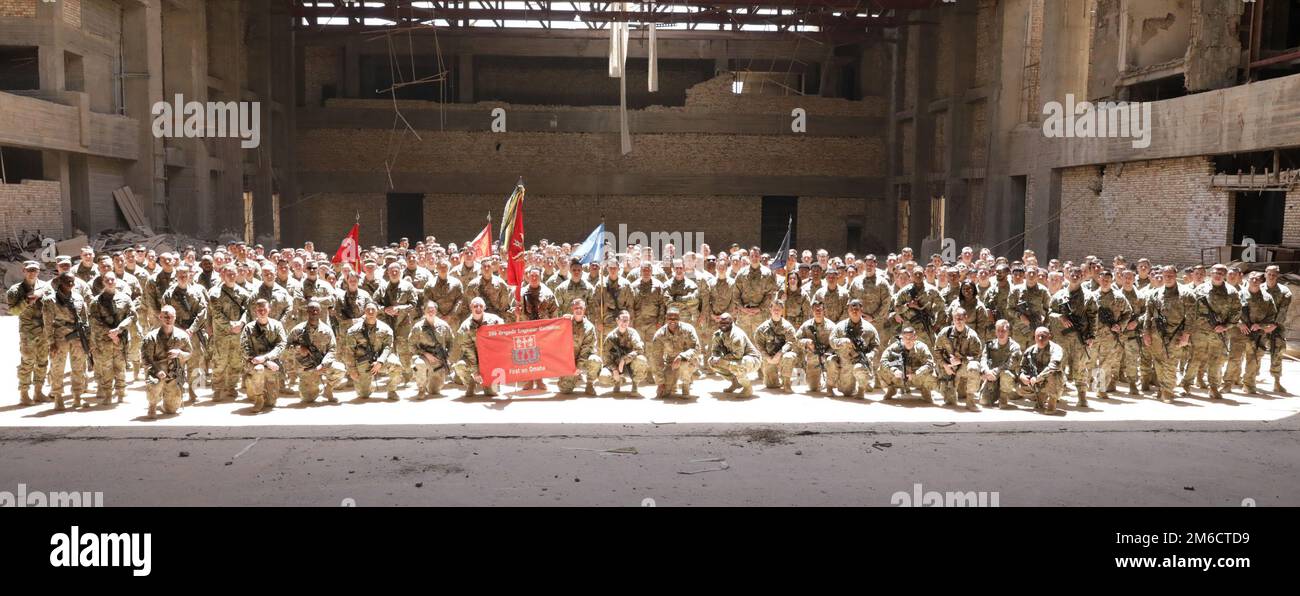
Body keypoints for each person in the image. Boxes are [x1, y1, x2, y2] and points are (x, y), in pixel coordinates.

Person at [89, 272, 136, 405]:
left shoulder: (125, 299)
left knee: (121, 367)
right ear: (103, 282)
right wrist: (110, 333)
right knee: (106, 368)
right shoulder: (96, 301)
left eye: (112, 280)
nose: (110, 282)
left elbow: (132, 316)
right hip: (104, 341)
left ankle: (121, 393)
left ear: (116, 281)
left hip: (120, 340)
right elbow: (94, 321)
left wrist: (119, 329)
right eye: (107, 280)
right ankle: (108, 394)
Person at [7, 261, 50, 405]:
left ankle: (38, 392)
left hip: (44, 331)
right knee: (27, 362)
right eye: (29, 270)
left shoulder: (46, 287)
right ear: (24, 271)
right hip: (28, 332)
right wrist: (27, 300)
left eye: (35, 270)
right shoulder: (15, 290)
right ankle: (24, 393)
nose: (32, 273)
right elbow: (13, 311)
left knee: (42, 361)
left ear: (39, 271)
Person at [287, 301, 347, 404]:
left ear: (320, 312)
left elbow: (333, 349)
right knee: (308, 400)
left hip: (322, 364)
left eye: (316, 310)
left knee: (340, 369)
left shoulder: (327, 330)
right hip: (306, 367)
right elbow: (286, 346)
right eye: (311, 310)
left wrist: (323, 364)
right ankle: (316, 386)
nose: (314, 312)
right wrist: (299, 348)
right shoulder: (297, 330)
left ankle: (328, 389)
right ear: (307, 312)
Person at [141, 306, 192, 419]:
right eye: (165, 317)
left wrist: (179, 353)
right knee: (154, 383)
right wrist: (157, 371)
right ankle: (152, 405)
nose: (168, 319)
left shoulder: (182, 336)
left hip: (174, 374)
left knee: (171, 410)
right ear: (160, 317)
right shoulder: (151, 337)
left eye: (171, 317)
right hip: (157, 371)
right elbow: (145, 358)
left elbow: (189, 354)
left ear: (175, 317)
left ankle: (165, 404)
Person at [346, 302, 403, 400]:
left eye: (373, 309)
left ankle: (391, 390)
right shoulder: (353, 330)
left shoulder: (385, 329)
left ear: (377, 312)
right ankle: (368, 385)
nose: (371, 312)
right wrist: (352, 370)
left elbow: (388, 347)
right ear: (364, 311)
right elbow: (349, 351)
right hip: (363, 363)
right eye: (368, 310)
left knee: (396, 365)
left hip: (380, 360)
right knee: (364, 395)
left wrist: (380, 361)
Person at [240, 299, 288, 413]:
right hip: (253, 363)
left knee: (271, 403)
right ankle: (258, 397)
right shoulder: (248, 328)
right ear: (255, 311)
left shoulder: (277, 325)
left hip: (272, 363)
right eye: (259, 310)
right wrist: (265, 361)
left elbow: (281, 344)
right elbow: (245, 349)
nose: (262, 312)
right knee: (259, 369)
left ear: (269, 310)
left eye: (264, 310)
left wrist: (267, 358)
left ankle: (266, 389)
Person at [452, 297, 506, 397]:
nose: (478, 308)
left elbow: (505, 336)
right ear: (471, 307)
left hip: (491, 359)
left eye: (481, 306)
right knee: (460, 366)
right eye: (475, 306)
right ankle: (470, 384)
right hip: (473, 358)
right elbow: (469, 351)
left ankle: (488, 384)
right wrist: (476, 371)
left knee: (491, 393)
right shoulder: (465, 327)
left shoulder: (495, 320)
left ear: (484, 307)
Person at [933, 307, 984, 409]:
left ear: (966, 318)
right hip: (949, 369)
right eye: (956, 318)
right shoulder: (945, 333)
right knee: (950, 402)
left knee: (974, 367)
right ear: (953, 319)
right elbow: (937, 352)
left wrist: (961, 361)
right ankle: (957, 388)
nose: (958, 321)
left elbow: (977, 356)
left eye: (961, 318)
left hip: (964, 367)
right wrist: (945, 365)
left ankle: (970, 400)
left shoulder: (972, 336)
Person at [827, 299, 880, 398]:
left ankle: (861, 389)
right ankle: (830, 387)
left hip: (859, 361)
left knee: (860, 368)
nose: (854, 311)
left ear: (861, 310)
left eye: (857, 309)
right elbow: (832, 341)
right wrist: (843, 341)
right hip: (844, 363)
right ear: (848, 311)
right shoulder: (840, 326)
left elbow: (875, 346)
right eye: (852, 309)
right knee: (847, 392)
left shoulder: (869, 328)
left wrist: (870, 355)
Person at [649, 306, 701, 398]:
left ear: (679, 318)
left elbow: (697, 349)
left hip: (688, 361)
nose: (672, 320)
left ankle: (686, 385)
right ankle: (673, 383)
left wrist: (682, 356)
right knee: (663, 394)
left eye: (675, 318)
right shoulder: (660, 334)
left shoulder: (688, 329)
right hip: (671, 363)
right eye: (670, 318)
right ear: (666, 318)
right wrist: (660, 382)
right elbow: (656, 359)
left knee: (684, 365)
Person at [878, 327, 938, 403]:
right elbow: (883, 360)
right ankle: (891, 389)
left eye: (911, 337)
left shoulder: (922, 347)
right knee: (881, 369)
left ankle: (926, 391)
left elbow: (930, 363)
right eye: (906, 337)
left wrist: (916, 373)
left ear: (915, 337)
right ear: (902, 338)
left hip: (916, 377)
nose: (908, 340)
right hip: (899, 376)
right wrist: (894, 370)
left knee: (932, 373)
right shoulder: (895, 347)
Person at [409, 301, 455, 399]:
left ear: (436, 311)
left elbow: (451, 342)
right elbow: (411, 345)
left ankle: (430, 382)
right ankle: (421, 389)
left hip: (438, 359)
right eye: (428, 310)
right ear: (424, 311)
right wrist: (425, 353)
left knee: (434, 391)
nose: (430, 312)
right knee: (419, 363)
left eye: (432, 310)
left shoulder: (444, 325)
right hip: (424, 357)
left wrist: (446, 356)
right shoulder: (418, 327)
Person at [708, 312, 761, 397]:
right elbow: (715, 350)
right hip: (736, 359)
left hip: (752, 360)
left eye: (726, 323)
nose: (723, 325)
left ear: (731, 323)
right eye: (721, 323)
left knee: (735, 366)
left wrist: (722, 359)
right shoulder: (717, 335)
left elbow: (737, 355)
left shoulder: (737, 336)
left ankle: (748, 388)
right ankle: (735, 382)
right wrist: (716, 357)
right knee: (712, 362)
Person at [558, 299, 602, 396]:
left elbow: (586, 350)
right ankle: (574, 378)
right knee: (564, 389)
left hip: (584, 359)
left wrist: (578, 368)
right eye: (576, 308)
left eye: (581, 308)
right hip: (570, 360)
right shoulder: (566, 322)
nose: (578, 310)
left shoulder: (589, 327)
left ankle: (590, 384)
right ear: (572, 309)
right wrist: (561, 320)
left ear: (584, 309)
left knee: (595, 360)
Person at [1017, 326, 1066, 414]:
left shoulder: (1056, 349)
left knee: (1054, 374)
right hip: (1036, 380)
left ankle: (1052, 402)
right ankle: (1040, 396)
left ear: (1049, 336)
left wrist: (1038, 378)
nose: (1040, 339)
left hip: (1051, 380)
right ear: (1034, 337)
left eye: (1043, 336)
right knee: (1019, 387)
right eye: (1038, 336)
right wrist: (1022, 376)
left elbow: (1054, 366)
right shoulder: (1030, 351)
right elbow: (1022, 367)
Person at [752, 301, 799, 391]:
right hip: (769, 358)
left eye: (778, 309)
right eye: (774, 309)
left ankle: (786, 382)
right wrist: (767, 357)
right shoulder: (762, 328)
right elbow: (759, 345)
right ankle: (774, 378)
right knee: (771, 385)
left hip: (783, 356)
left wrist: (780, 353)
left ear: (782, 310)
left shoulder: (788, 327)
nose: (776, 311)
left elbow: (791, 342)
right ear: (770, 310)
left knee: (789, 356)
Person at [979, 319, 1021, 409]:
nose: (1000, 333)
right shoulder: (989, 345)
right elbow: (983, 359)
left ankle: (1003, 397)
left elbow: (1010, 364)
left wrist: (995, 371)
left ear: (1008, 332)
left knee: (1006, 374)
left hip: (1006, 377)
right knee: (984, 401)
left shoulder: (1015, 347)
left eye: (1003, 331)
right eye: (998, 330)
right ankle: (995, 393)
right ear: (995, 331)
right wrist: (986, 371)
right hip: (992, 377)